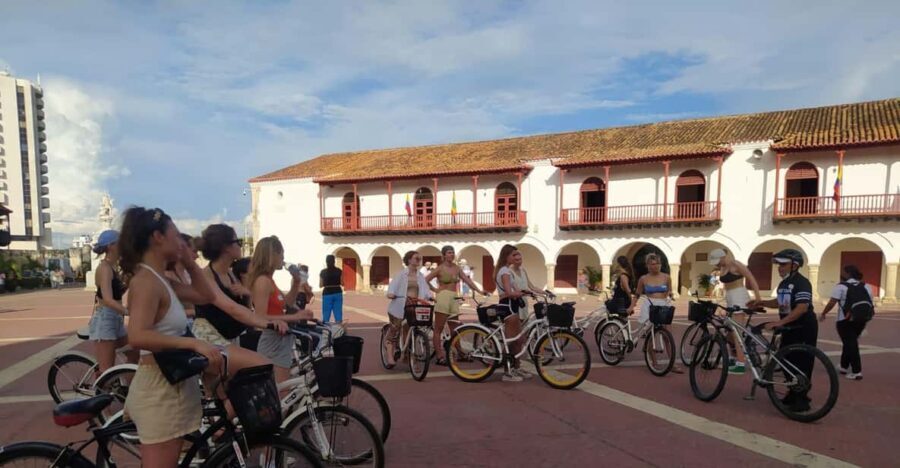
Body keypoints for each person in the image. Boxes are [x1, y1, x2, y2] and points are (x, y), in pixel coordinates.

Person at [120, 207, 221, 465]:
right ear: (158, 237)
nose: (182, 243)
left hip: (170, 385)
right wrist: (191, 342)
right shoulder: (146, 281)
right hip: (159, 389)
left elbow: (206, 296)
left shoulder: (160, 279)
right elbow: (137, 336)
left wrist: (189, 262)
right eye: (176, 236)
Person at [192, 224, 287, 349]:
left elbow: (244, 307)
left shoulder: (230, 273)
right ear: (226, 248)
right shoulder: (207, 276)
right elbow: (232, 309)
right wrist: (268, 323)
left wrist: (248, 294)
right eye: (238, 242)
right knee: (258, 360)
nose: (240, 245)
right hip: (209, 338)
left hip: (230, 337)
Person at [749, 249, 819, 412]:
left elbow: (802, 307)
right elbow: (780, 302)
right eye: (778, 265)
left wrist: (780, 322)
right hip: (789, 327)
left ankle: (801, 399)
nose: (779, 268)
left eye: (783, 264)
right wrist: (761, 303)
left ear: (795, 266)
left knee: (802, 363)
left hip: (803, 327)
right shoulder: (784, 284)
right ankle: (792, 393)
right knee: (786, 361)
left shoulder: (802, 283)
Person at [250, 236, 313, 384]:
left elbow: (287, 304)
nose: (283, 259)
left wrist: (296, 282)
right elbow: (260, 317)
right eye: (281, 254)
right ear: (272, 255)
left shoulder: (270, 280)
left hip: (280, 337)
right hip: (272, 339)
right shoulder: (263, 281)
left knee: (281, 387)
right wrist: (295, 316)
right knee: (281, 389)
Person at [426, 245, 488, 365]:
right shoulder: (440, 268)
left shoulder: (457, 268)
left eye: (452, 252)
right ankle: (439, 356)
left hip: (454, 298)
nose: (451, 254)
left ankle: (460, 352)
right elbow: (425, 279)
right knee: (439, 328)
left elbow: (468, 281)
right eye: (449, 252)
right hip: (443, 297)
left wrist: (479, 291)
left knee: (455, 328)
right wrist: (435, 290)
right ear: (444, 255)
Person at [89, 229, 139, 373]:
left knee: (134, 353)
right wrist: (128, 312)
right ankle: (102, 387)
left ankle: (127, 386)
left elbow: (115, 295)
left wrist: (127, 283)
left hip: (114, 319)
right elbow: (108, 299)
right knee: (107, 369)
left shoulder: (112, 267)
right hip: (105, 319)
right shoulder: (104, 268)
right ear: (111, 246)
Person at [708, 248, 763, 375]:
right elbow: (725, 286)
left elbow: (751, 279)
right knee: (729, 332)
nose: (717, 264)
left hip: (739, 297)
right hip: (730, 297)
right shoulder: (722, 268)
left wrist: (758, 298)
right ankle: (734, 358)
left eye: (718, 261)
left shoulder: (736, 264)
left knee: (736, 332)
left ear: (723, 257)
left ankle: (740, 364)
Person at [494, 244, 543, 381]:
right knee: (510, 341)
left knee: (518, 340)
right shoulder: (504, 271)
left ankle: (516, 367)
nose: (515, 257)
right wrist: (520, 293)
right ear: (507, 256)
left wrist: (526, 292)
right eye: (513, 255)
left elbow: (516, 289)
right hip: (508, 306)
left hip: (513, 306)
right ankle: (507, 372)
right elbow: (509, 292)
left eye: (517, 254)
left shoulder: (506, 271)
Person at [820, 264, 874, 380]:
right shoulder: (866, 286)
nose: (841, 274)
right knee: (849, 342)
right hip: (862, 319)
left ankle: (856, 371)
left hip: (844, 320)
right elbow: (870, 301)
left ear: (847, 274)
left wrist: (824, 313)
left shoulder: (841, 286)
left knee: (851, 343)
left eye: (843, 272)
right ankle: (843, 366)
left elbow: (832, 302)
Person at [632, 253, 683, 373]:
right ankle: (653, 362)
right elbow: (637, 294)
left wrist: (670, 294)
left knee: (667, 335)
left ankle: (672, 363)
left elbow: (669, 290)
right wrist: (631, 306)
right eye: (652, 264)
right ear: (647, 265)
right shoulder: (643, 279)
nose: (655, 266)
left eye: (657, 264)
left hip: (663, 305)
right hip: (649, 305)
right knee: (650, 335)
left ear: (661, 264)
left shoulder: (666, 277)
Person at [385, 251, 433, 366]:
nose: (419, 260)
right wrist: (391, 294)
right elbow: (392, 287)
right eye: (416, 258)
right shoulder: (401, 274)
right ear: (409, 260)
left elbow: (425, 289)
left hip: (413, 307)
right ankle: (390, 355)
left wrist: (430, 297)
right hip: (399, 306)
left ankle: (407, 355)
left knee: (409, 330)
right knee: (395, 330)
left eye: (419, 258)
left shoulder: (420, 275)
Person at [319, 255, 344, 324]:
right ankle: (339, 327)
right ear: (334, 261)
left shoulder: (323, 272)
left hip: (327, 292)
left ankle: (326, 327)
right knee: (338, 311)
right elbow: (342, 283)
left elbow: (320, 285)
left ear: (326, 262)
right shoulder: (339, 271)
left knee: (326, 312)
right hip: (337, 291)